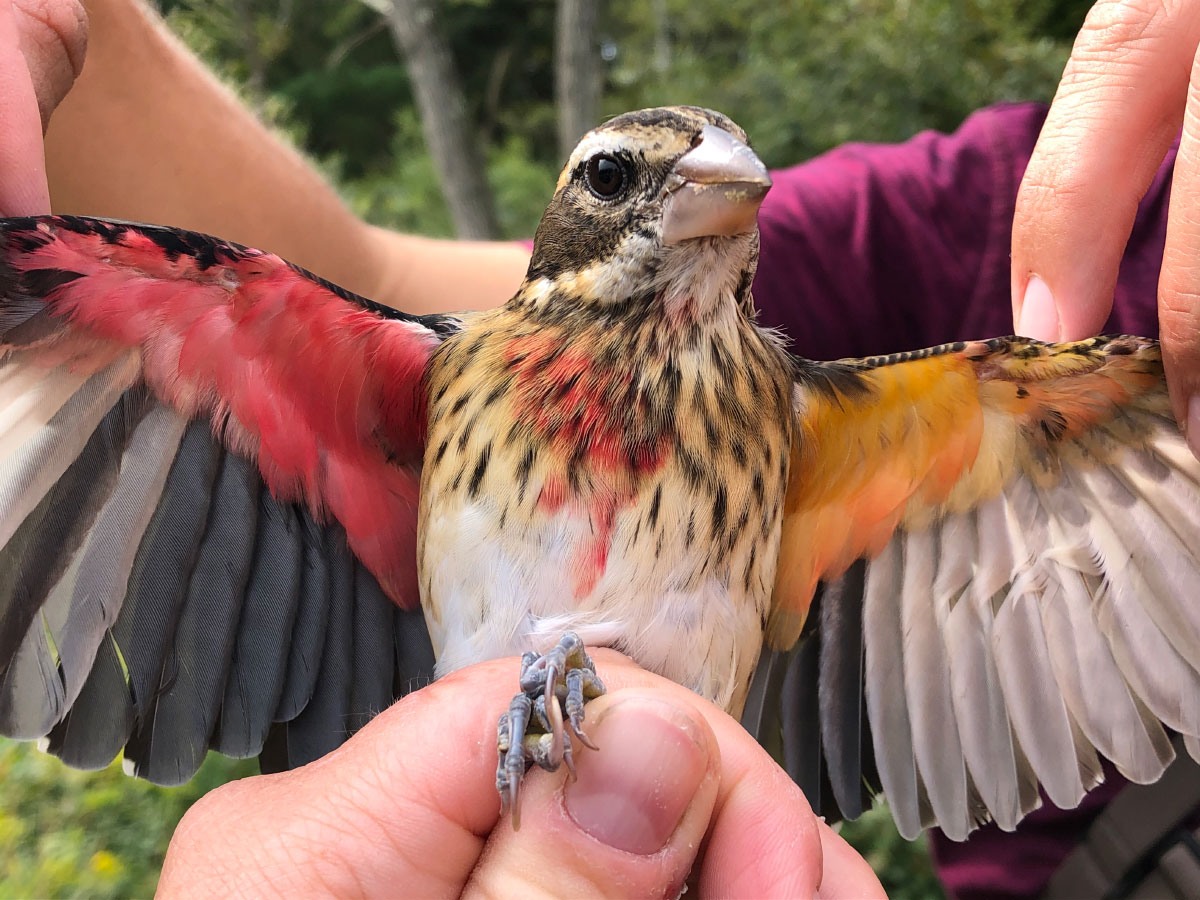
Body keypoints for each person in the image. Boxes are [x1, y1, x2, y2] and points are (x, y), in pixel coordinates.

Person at [2, 0, 1196, 896]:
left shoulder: (836, 424)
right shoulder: (417, 378)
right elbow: (310, 287)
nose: (704, 190)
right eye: (623, 180)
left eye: (716, 178)